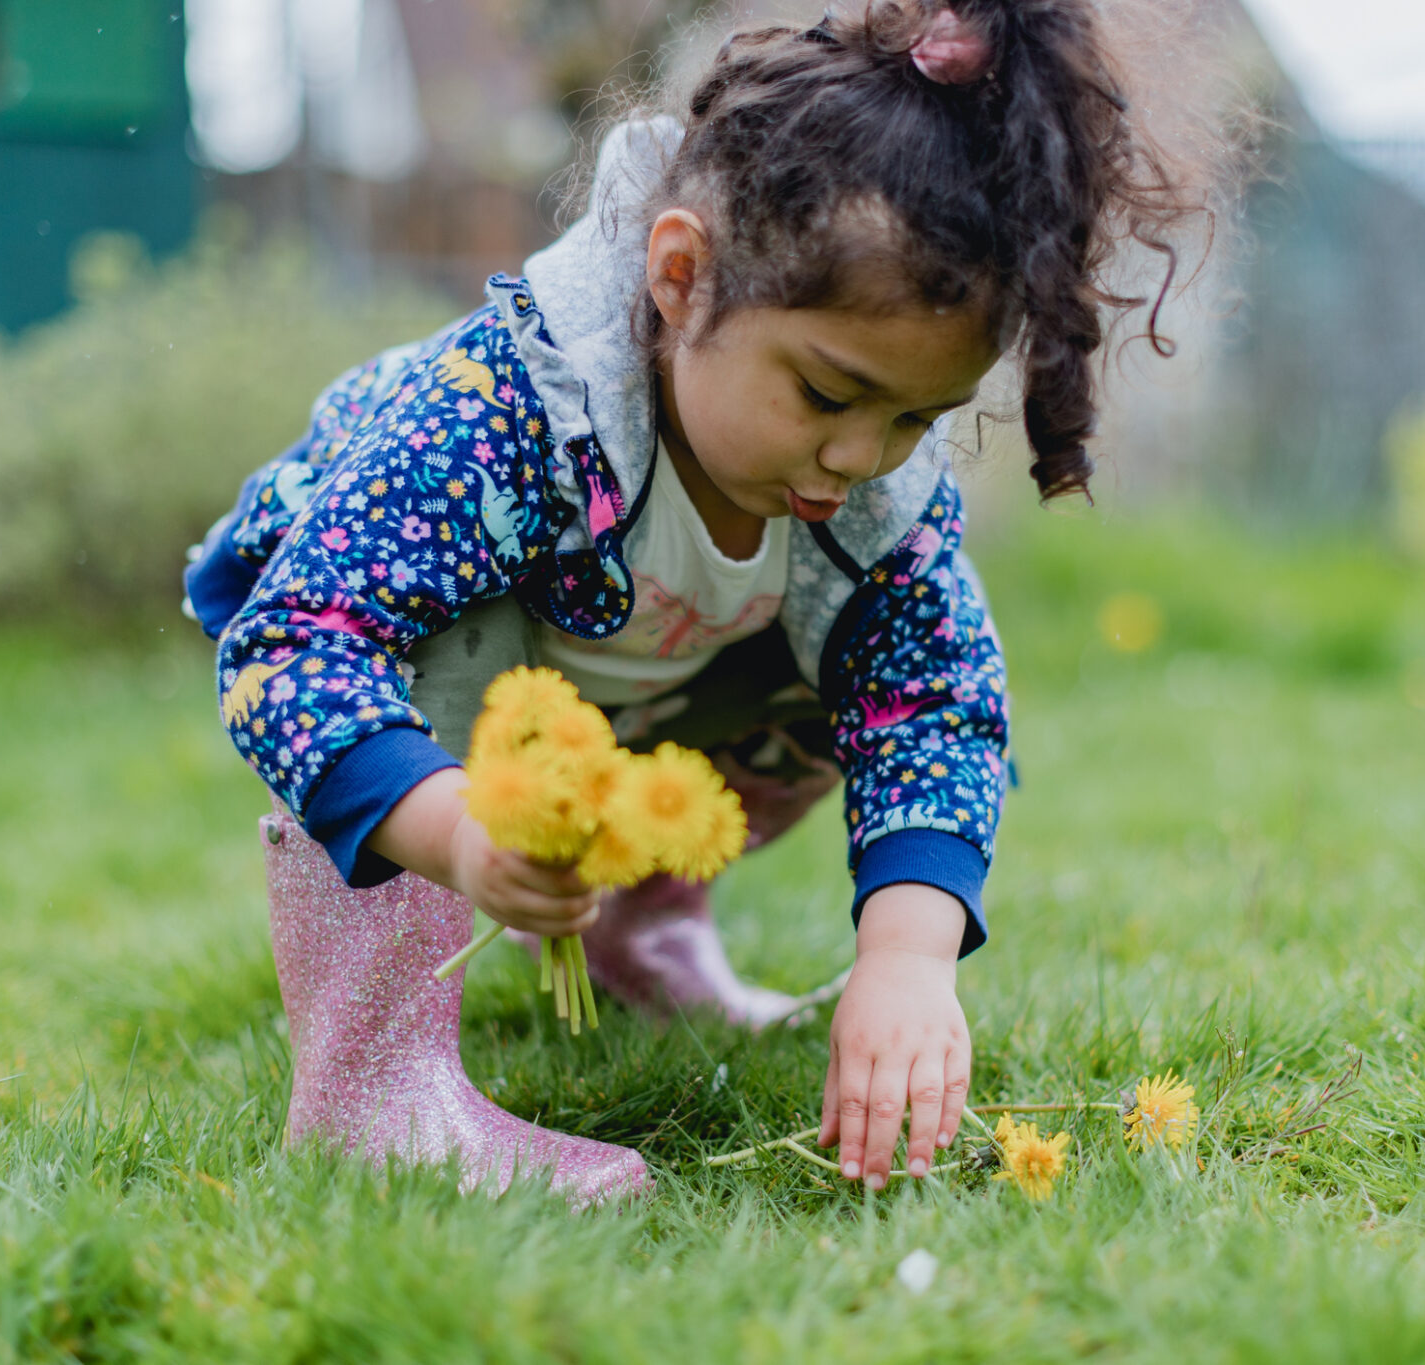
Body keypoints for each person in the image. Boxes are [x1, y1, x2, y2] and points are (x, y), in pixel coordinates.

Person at [185, 0, 1192, 1205]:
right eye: (826, 394)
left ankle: (641, 928)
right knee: (431, 643)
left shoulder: (866, 499)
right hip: (392, 657)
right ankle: (369, 1087)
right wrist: (459, 829)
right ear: (680, 276)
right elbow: (298, 645)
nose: (856, 457)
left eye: (913, 419)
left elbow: (934, 703)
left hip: (629, 676)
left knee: (867, 669)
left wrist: (908, 961)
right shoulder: (506, 409)